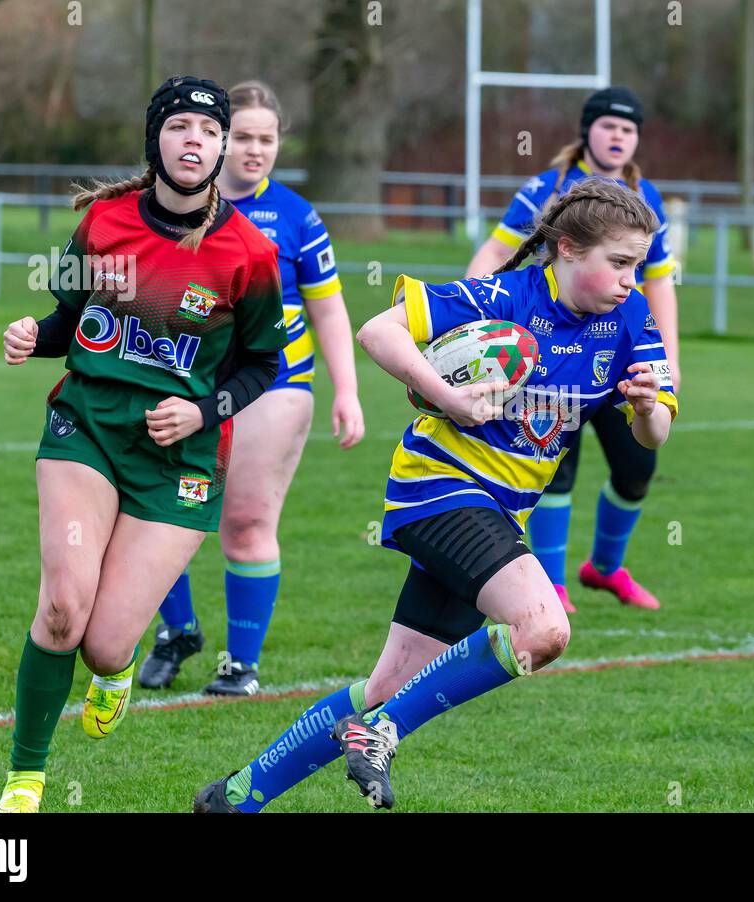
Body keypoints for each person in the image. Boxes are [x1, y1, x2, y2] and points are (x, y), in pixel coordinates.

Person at [194, 178, 677, 812]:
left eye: (637, 264)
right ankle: (382, 736)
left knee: (386, 684)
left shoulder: (630, 316)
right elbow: (379, 332)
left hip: (498, 512)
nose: (628, 278)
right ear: (564, 249)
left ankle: (234, 796)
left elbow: (656, 431)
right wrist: (446, 395)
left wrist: (644, 406)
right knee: (543, 630)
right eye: (617, 262)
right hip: (438, 489)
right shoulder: (505, 295)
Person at [0, 76, 287, 812]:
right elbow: (66, 319)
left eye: (209, 130)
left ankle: (116, 670)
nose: (196, 139)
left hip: (180, 461)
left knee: (102, 643)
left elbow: (262, 365)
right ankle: (25, 779)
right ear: (155, 138)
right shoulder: (101, 221)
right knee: (63, 606)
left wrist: (202, 412)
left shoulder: (248, 253)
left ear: (223, 148)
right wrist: (34, 336)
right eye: (181, 125)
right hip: (86, 428)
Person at [139, 80, 365, 696]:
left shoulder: (295, 217)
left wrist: (346, 390)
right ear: (212, 139)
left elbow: (329, 310)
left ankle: (241, 666)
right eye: (242, 136)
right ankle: (176, 631)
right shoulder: (173, 206)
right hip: (182, 381)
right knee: (159, 510)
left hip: (275, 385)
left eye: (267, 139)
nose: (255, 149)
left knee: (244, 521)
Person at [467, 86, 679, 613]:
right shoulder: (548, 188)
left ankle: (604, 568)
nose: (617, 137)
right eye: (608, 126)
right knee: (555, 463)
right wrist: (477, 322)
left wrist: (669, 360)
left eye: (628, 130)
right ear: (588, 131)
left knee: (637, 468)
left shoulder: (645, 197)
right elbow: (496, 250)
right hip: (551, 347)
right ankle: (554, 584)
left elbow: (659, 283)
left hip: (620, 352)